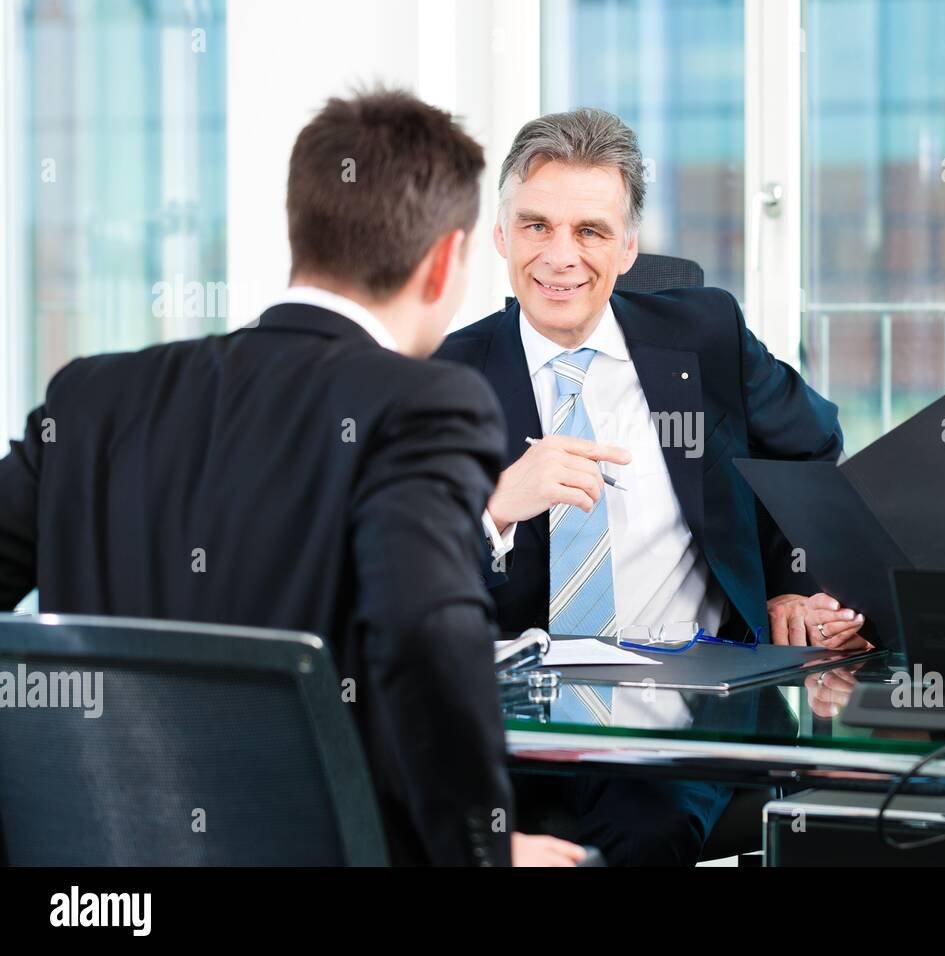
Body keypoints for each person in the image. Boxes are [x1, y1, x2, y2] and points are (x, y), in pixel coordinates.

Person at [0, 88, 582, 867]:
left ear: (299, 229)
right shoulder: (423, 404)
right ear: (446, 260)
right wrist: (481, 850)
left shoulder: (94, 396)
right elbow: (426, 638)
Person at [436, 107, 867, 864]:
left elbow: (814, 449)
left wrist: (791, 587)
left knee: (640, 829)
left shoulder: (705, 335)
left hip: (682, 721)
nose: (560, 256)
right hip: (508, 732)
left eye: (590, 232)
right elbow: (401, 579)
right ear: (501, 235)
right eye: (536, 226)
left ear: (629, 246)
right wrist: (495, 508)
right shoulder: (445, 378)